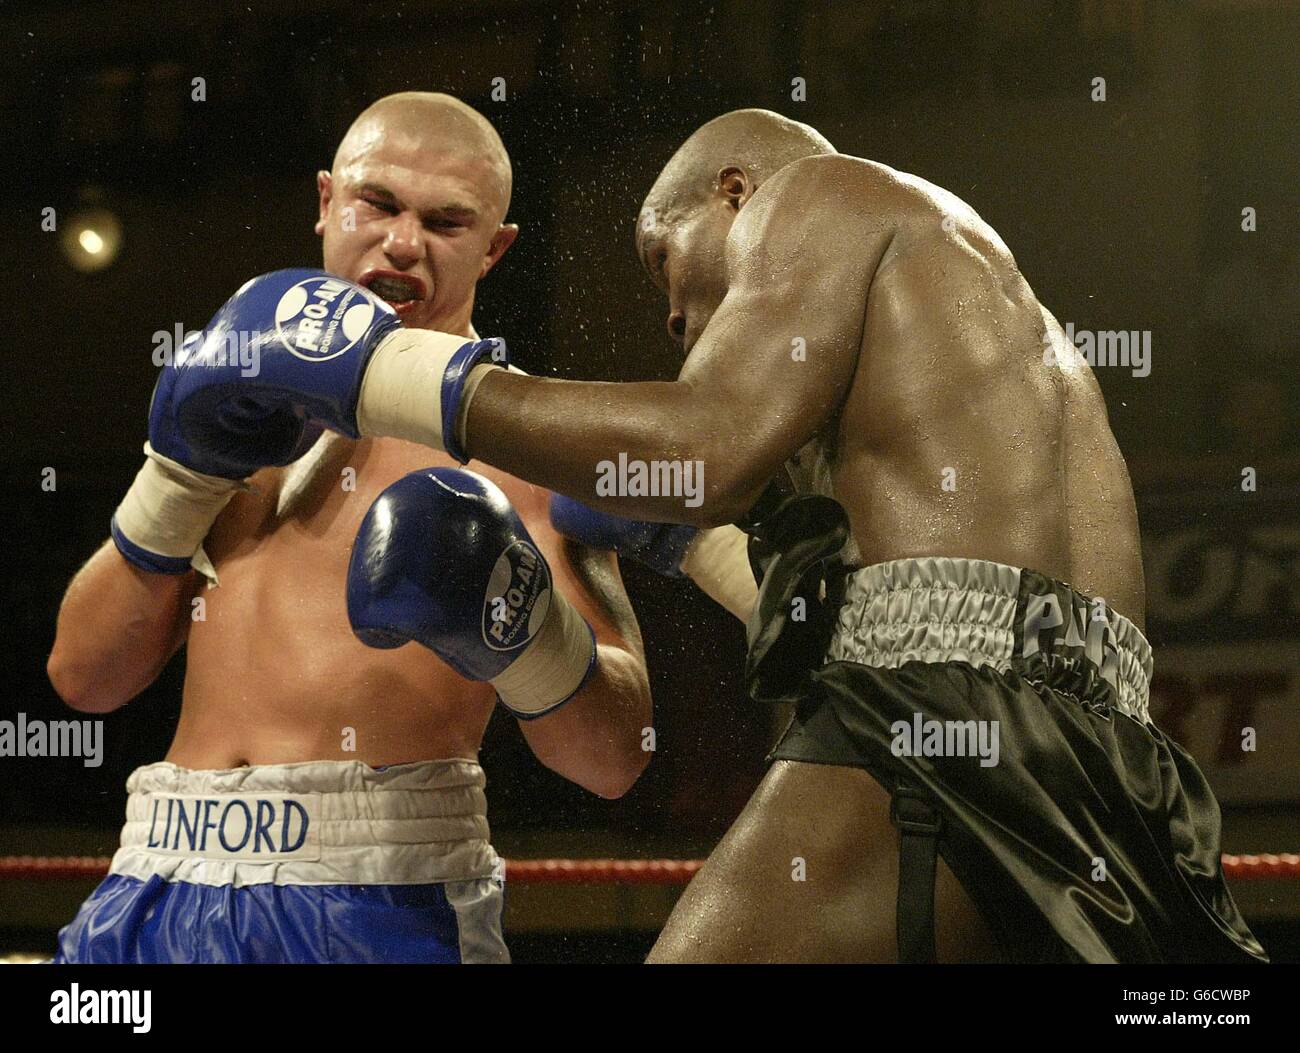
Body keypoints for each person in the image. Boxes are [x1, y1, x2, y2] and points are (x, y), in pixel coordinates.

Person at [140, 107, 1268, 964]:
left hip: (939, 710)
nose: (674, 317)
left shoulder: (823, 193)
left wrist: (379, 370)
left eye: (663, 265)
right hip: (1109, 747)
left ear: (734, 192)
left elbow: (707, 447)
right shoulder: (966, 322)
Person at [46, 93, 654, 964]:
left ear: (496, 247)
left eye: (447, 222)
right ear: (327, 201)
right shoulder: (240, 418)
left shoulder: (522, 450)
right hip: (149, 885)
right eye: (379, 204)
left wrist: (526, 639)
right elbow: (82, 675)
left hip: (373, 905)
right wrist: (178, 474)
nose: (405, 243)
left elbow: (618, 758)